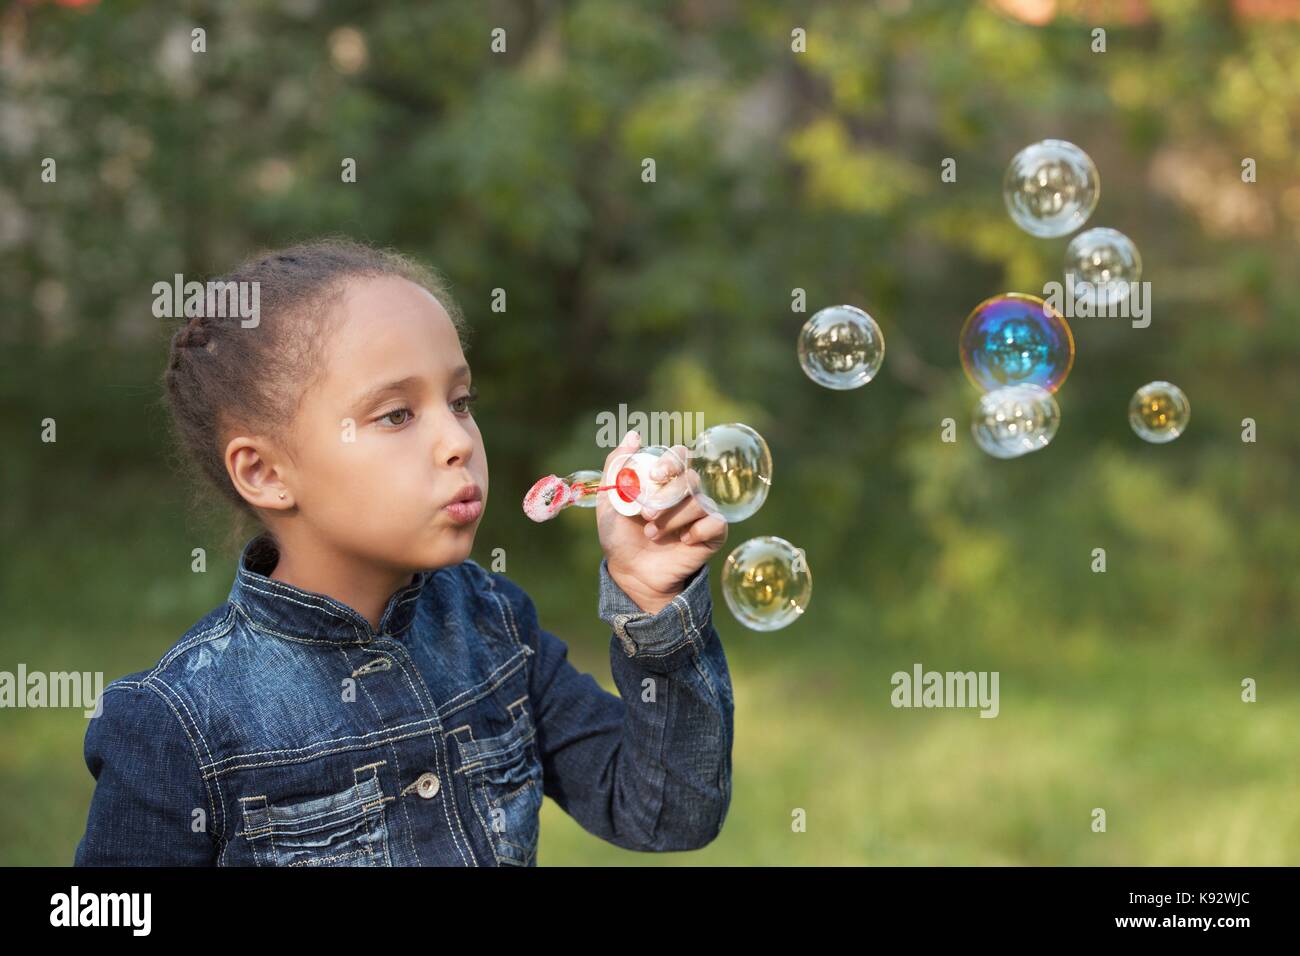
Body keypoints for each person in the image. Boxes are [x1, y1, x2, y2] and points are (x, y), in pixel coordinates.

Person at [73, 238, 734, 866]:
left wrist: (655, 610)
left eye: (461, 401)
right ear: (265, 473)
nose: (458, 441)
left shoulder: (493, 624)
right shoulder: (177, 726)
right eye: (396, 414)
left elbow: (669, 813)